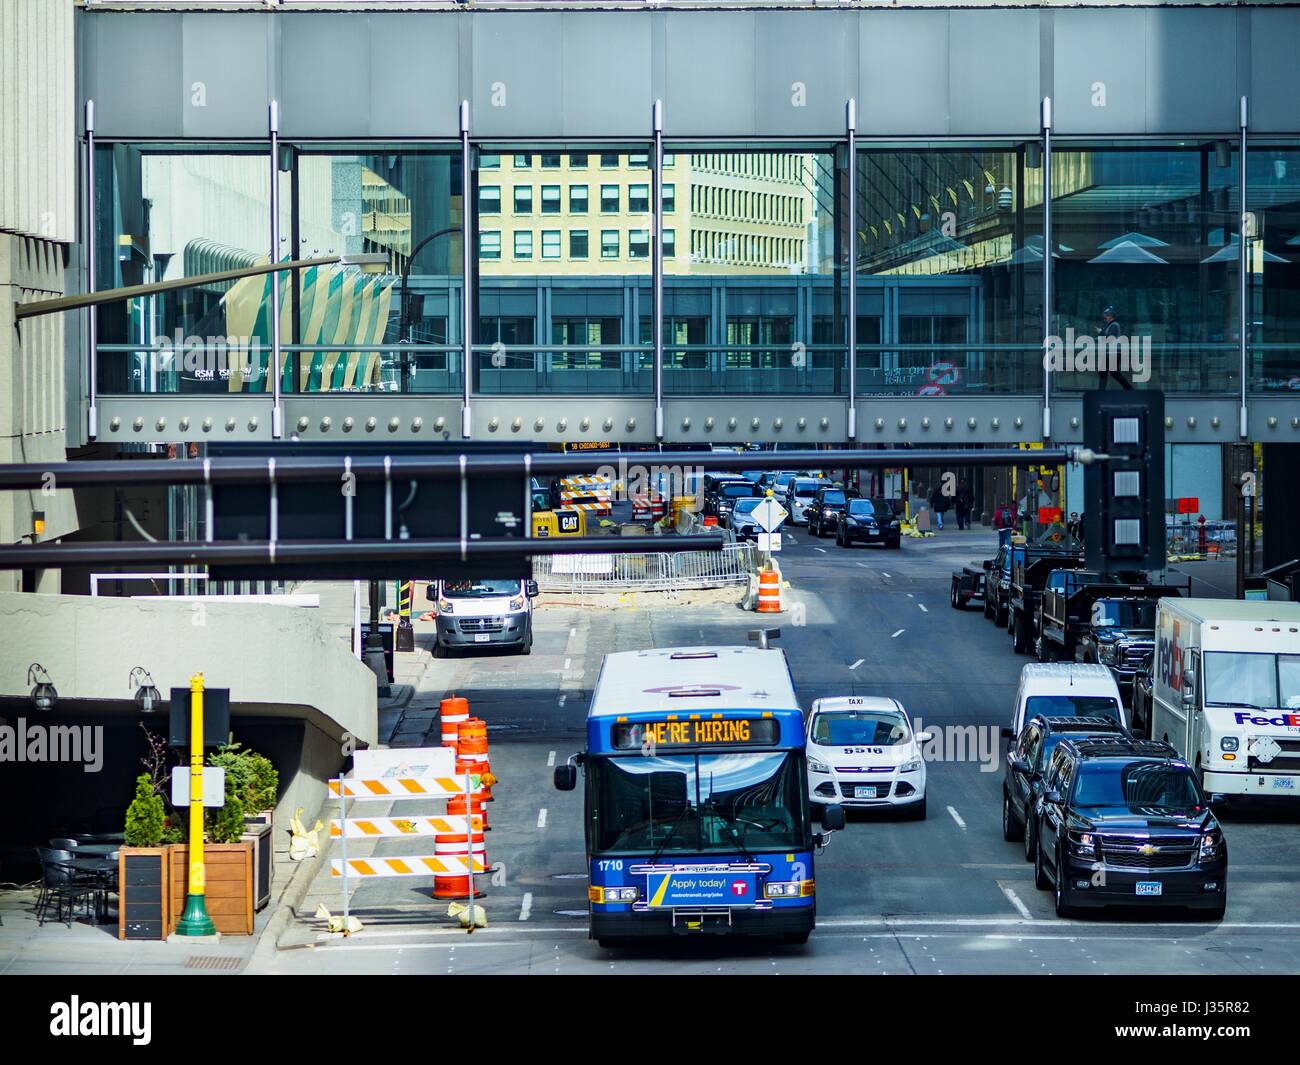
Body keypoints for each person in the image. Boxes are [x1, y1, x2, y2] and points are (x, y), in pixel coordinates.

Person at [1097, 306, 1133, 390]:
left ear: (1110, 316)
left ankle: (1128, 388)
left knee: (1108, 372)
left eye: (1105, 317)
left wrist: (1100, 332)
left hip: (1112, 353)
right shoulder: (1111, 325)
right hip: (1111, 353)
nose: (1104, 319)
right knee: (1110, 372)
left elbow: (1110, 339)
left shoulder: (1113, 325)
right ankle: (1128, 388)